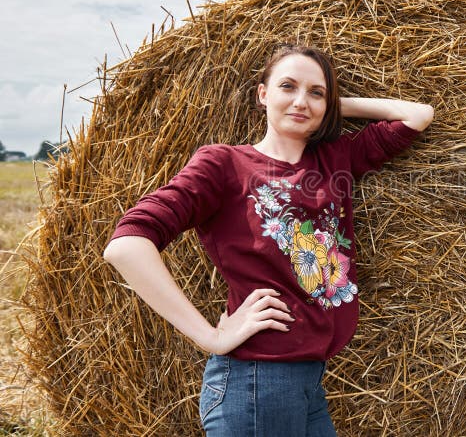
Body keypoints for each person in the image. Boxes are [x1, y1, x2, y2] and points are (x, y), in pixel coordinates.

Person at [103, 44, 434, 436]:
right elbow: (126, 245)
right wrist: (211, 337)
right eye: (287, 87)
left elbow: (417, 115)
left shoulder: (334, 159)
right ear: (262, 94)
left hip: (307, 381)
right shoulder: (224, 165)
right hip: (256, 383)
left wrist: (325, 106)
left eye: (316, 92)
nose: (300, 101)